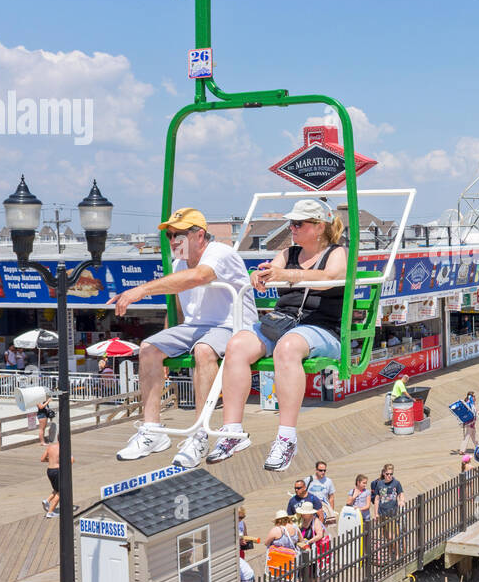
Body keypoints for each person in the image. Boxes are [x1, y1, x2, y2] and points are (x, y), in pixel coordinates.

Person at [110, 207, 255, 465]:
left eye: (178, 234)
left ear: (199, 235)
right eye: (169, 236)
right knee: (148, 348)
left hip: (232, 324)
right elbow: (178, 308)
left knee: (203, 349)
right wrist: (167, 342)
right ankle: (152, 430)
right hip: (196, 326)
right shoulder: (179, 263)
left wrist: (140, 290)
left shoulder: (219, 253)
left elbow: (199, 276)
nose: (173, 241)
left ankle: (199, 435)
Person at [212, 199, 349, 472]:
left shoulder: (337, 252)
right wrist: (260, 276)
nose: (292, 228)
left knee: (287, 348)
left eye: (298, 223)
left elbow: (331, 277)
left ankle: (286, 437)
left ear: (318, 227)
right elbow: (272, 270)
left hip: (321, 327)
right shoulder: (288, 253)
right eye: (291, 222)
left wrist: (284, 274)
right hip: (283, 322)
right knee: (237, 345)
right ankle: (232, 431)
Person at [370, 463, 405, 560]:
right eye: (387, 474)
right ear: (384, 473)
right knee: (386, 536)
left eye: (391, 474)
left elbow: (401, 493)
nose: (389, 476)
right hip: (382, 512)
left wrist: (401, 501)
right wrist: (376, 513)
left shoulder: (396, 483)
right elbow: (376, 499)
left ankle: (397, 554)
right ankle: (390, 554)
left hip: (392, 513)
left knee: (392, 536)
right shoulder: (379, 484)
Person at [39, 438, 71, 518]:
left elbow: (42, 459)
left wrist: (52, 460)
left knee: (56, 488)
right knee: (61, 492)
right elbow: (72, 460)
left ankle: (47, 500)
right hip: (58, 470)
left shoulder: (50, 447)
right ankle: (50, 512)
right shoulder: (64, 448)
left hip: (49, 470)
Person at [458, 390, 479, 454]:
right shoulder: (469, 404)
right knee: (467, 437)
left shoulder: (470, 403)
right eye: (474, 396)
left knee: (474, 437)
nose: (475, 397)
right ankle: (462, 450)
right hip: (470, 423)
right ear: (471, 397)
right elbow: (473, 413)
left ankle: (478, 447)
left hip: (471, 423)